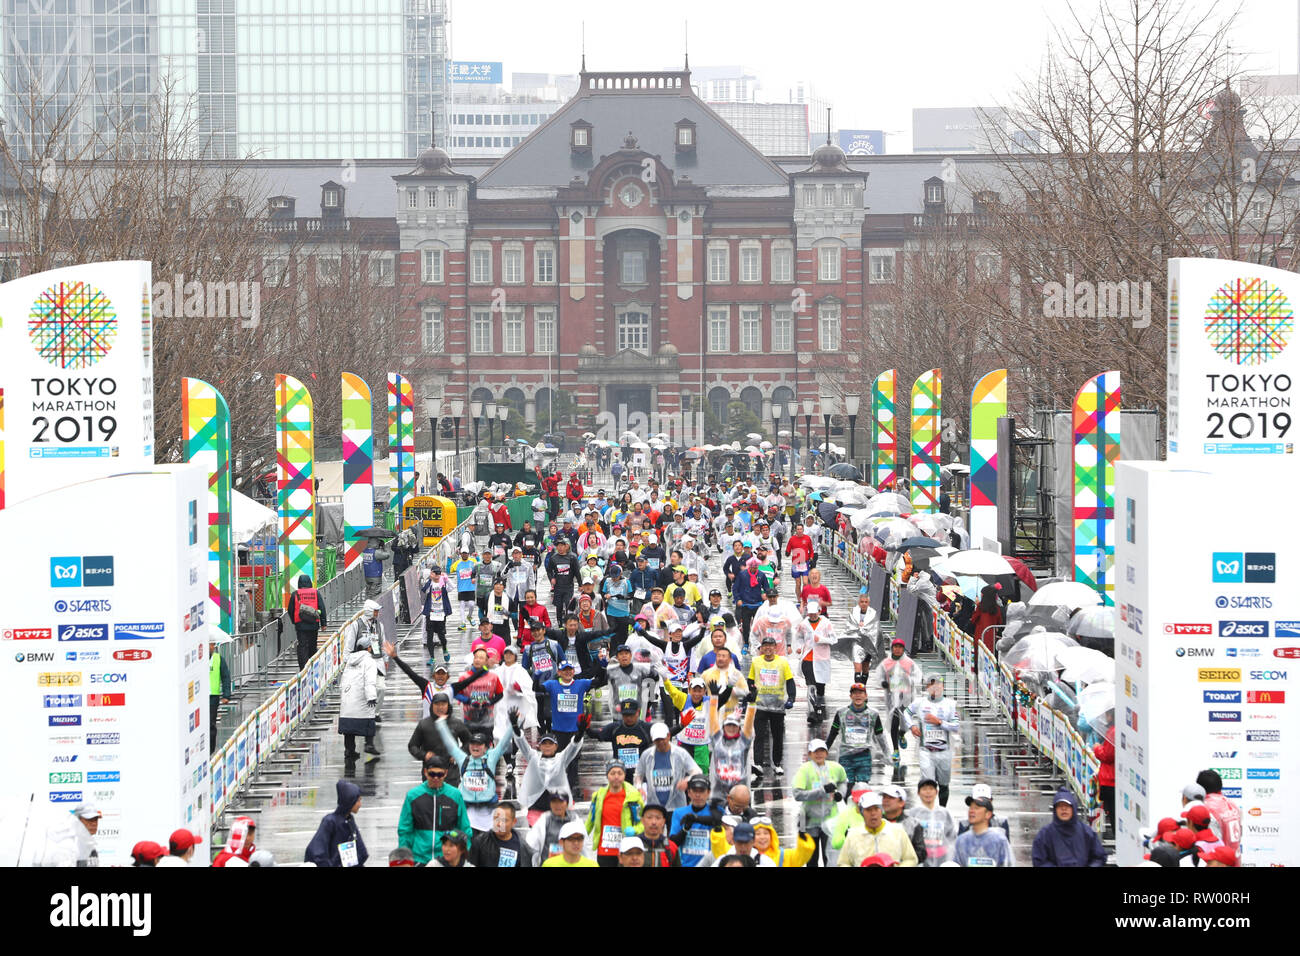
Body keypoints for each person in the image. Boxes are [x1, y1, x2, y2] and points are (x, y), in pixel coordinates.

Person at [436, 723, 513, 835]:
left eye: (479, 744)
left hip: (488, 816)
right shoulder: (463, 760)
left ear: (486, 748)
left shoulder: (491, 758)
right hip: (468, 815)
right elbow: (450, 746)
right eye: (472, 744)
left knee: (489, 850)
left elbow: (503, 744)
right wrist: (440, 724)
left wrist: (514, 725)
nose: (475, 747)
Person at [397, 755, 471, 865]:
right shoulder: (412, 796)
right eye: (432, 774)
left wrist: (463, 857)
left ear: (446, 773)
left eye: (439, 774)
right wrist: (404, 859)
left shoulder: (455, 795)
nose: (436, 778)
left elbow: (464, 829)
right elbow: (405, 830)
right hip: (419, 859)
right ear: (425, 772)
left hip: (446, 860)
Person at [511, 713, 587, 813]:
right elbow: (521, 743)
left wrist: (580, 733)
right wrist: (515, 727)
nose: (547, 746)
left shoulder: (561, 758)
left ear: (556, 747)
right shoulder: (533, 757)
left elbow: (573, 747)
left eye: (550, 744)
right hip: (535, 806)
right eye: (544, 744)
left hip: (557, 807)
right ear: (539, 746)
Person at [905, 676, 960, 805]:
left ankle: (942, 810)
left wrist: (940, 722)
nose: (935, 688)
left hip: (944, 751)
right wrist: (911, 726)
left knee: (944, 784)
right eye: (932, 685)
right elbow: (906, 713)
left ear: (943, 687)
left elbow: (956, 726)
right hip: (926, 751)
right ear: (927, 688)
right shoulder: (920, 703)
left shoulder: (950, 704)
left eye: (938, 685)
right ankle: (928, 810)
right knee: (928, 784)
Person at [792, 738, 848, 866]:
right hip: (808, 821)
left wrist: (840, 793)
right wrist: (821, 791)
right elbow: (797, 794)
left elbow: (843, 781)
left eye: (822, 751)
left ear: (827, 753)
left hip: (830, 820)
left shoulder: (836, 768)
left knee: (830, 857)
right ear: (810, 754)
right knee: (811, 859)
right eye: (815, 751)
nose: (819, 754)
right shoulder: (804, 770)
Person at [747, 635, 796, 778]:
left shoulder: (782, 662)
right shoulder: (756, 661)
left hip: (777, 706)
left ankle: (777, 763)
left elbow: (790, 681)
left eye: (771, 645)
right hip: (761, 705)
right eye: (765, 646)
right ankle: (758, 765)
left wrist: (791, 698)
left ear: (775, 648)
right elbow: (750, 680)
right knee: (759, 736)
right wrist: (750, 693)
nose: (768, 648)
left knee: (777, 736)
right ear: (761, 648)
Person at [826, 682, 889, 788]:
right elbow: (833, 733)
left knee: (862, 789)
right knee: (846, 788)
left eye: (861, 693)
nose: (858, 695)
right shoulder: (841, 713)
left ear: (866, 695)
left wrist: (887, 753)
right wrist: (824, 750)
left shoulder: (873, 714)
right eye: (855, 693)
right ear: (851, 696)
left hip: (864, 756)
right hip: (845, 756)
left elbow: (880, 735)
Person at [586, 762, 645, 867]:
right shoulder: (598, 796)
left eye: (620, 773)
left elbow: (644, 823)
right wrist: (578, 836)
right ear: (607, 775)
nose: (616, 777)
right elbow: (590, 821)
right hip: (605, 850)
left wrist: (635, 830)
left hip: (627, 850)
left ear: (624, 776)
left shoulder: (634, 797)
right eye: (612, 773)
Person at [837, 791, 919, 867]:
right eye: (868, 810)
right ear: (861, 812)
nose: (873, 813)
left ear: (881, 810)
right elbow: (843, 863)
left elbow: (911, 859)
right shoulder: (853, 835)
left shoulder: (897, 831)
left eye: (876, 809)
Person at [878, 639, 921, 781]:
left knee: (905, 722)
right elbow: (879, 676)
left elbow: (917, 676)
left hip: (906, 697)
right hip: (892, 698)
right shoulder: (886, 663)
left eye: (900, 647)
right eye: (895, 647)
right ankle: (896, 749)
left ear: (903, 649)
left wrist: (909, 680)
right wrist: (883, 682)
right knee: (894, 722)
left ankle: (902, 734)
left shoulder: (909, 663)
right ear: (892, 648)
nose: (897, 650)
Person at [1031, 788, 1106, 867]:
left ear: (1073, 808)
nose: (1064, 809)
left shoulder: (1086, 832)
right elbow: (1039, 861)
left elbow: (1099, 857)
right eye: (1060, 806)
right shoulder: (1044, 835)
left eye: (1067, 806)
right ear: (1055, 810)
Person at [634, 721, 699, 810]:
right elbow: (638, 774)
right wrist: (639, 787)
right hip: (654, 807)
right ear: (652, 739)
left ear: (668, 736)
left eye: (662, 739)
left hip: (677, 806)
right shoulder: (646, 755)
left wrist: (687, 781)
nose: (660, 742)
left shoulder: (680, 753)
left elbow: (697, 771)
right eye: (657, 740)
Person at [707, 690, 757, 802]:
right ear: (723, 727)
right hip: (718, 796)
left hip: (740, 796)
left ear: (739, 728)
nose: (731, 728)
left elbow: (748, 724)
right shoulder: (717, 740)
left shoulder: (744, 742)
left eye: (734, 726)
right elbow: (713, 720)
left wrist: (752, 705)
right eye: (728, 725)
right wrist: (714, 698)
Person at [304, 780, 368, 867]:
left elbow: (361, 851)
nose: (360, 804)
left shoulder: (349, 820)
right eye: (358, 801)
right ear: (350, 801)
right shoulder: (330, 822)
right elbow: (317, 851)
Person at [339, 624, 379, 759]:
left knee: (348, 730)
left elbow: (343, 682)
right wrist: (372, 697)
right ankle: (369, 744)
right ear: (368, 648)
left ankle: (349, 750)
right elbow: (370, 681)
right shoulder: (369, 661)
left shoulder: (349, 661)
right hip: (362, 699)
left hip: (348, 701)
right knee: (369, 720)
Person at [794, 600, 835, 722]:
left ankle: (819, 708)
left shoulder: (826, 623)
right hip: (808, 658)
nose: (812, 616)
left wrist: (821, 639)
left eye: (814, 614)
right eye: (810, 614)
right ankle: (811, 711)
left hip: (822, 658)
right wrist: (800, 647)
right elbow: (799, 637)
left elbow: (834, 639)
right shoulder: (804, 624)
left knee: (820, 686)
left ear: (819, 611)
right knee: (811, 685)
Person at [668, 774, 723, 866]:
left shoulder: (717, 811)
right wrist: (685, 829)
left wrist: (715, 819)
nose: (698, 795)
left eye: (702, 791)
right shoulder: (679, 813)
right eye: (694, 791)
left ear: (708, 792)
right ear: (689, 792)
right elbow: (673, 843)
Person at [594, 699, 655, 773]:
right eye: (625, 715)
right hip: (620, 774)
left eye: (631, 715)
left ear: (638, 712)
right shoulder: (614, 728)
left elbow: (667, 733)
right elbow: (596, 734)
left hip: (641, 773)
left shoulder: (646, 728)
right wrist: (585, 729)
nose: (628, 718)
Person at [953, 792, 1014, 866]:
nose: (971, 811)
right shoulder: (962, 840)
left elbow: (1008, 864)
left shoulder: (1000, 841)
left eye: (976, 808)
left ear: (988, 814)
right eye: (971, 808)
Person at [1196, 769, 1242, 863]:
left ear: (1200, 788)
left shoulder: (1206, 808)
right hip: (1235, 861)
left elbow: (1212, 845)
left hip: (1220, 862)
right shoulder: (1233, 805)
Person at [913, 777, 958, 867]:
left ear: (936, 792)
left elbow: (952, 838)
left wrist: (949, 856)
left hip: (941, 858)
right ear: (918, 793)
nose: (928, 792)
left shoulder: (945, 814)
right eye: (924, 789)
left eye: (931, 789)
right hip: (919, 860)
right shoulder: (913, 814)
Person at [469, 803, 532, 868]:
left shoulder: (523, 846)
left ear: (514, 822)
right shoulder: (480, 842)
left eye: (504, 820)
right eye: (496, 819)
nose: (499, 824)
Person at [528, 791, 583, 864]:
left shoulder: (574, 819)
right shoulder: (544, 820)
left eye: (561, 802)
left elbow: (583, 846)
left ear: (567, 803)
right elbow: (531, 843)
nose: (557, 805)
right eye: (554, 802)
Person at [880, 784, 928, 865]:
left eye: (891, 798)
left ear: (901, 803)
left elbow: (921, 853)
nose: (886, 800)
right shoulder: (876, 822)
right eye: (884, 797)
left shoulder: (914, 825)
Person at [288, 573, 326, 670]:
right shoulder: (316, 593)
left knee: (302, 646)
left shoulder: (295, 594)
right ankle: (313, 666)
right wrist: (323, 623)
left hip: (300, 625)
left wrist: (294, 621)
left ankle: (304, 669)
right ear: (310, 582)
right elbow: (322, 607)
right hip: (313, 624)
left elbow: (290, 610)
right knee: (313, 645)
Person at [751, 816, 816, 867]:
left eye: (766, 833)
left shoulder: (785, 856)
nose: (762, 837)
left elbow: (801, 855)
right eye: (758, 834)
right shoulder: (747, 857)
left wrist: (802, 836)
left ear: (772, 836)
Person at [421, 565, 453, 665]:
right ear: (432, 573)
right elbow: (424, 590)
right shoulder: (430, 584)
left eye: (439, 573)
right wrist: (430, 580)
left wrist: (447, 579)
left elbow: (452, 587)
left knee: (441, 636)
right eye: (435, 573)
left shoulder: (443, 584)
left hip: (441, 613)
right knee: (429, 636)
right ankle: (432, 658)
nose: (437, 575)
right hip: (431, 613)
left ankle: (445, 649)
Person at [706, 820, 776, 867]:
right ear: (733, 841)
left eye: (746, 843)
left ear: (753, 841)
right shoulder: (723, 861)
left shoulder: (765, 862)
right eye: (740, 842)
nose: (743, 847)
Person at [209, 637, 232, 752]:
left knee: (211, 724)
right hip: (198, 697)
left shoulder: (218, 659)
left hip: (213, 697)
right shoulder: (196, 661)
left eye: (213, 644)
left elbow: (225, 677)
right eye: (211, 644)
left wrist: (226, 695)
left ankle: (210, 751)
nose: (212, 647)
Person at [969, 584, 1004, 652]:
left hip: (980, 633)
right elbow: (999, 621)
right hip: (991, 634)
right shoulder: (996, 608)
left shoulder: (980, 606)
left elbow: (973, 619)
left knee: (979, 652)